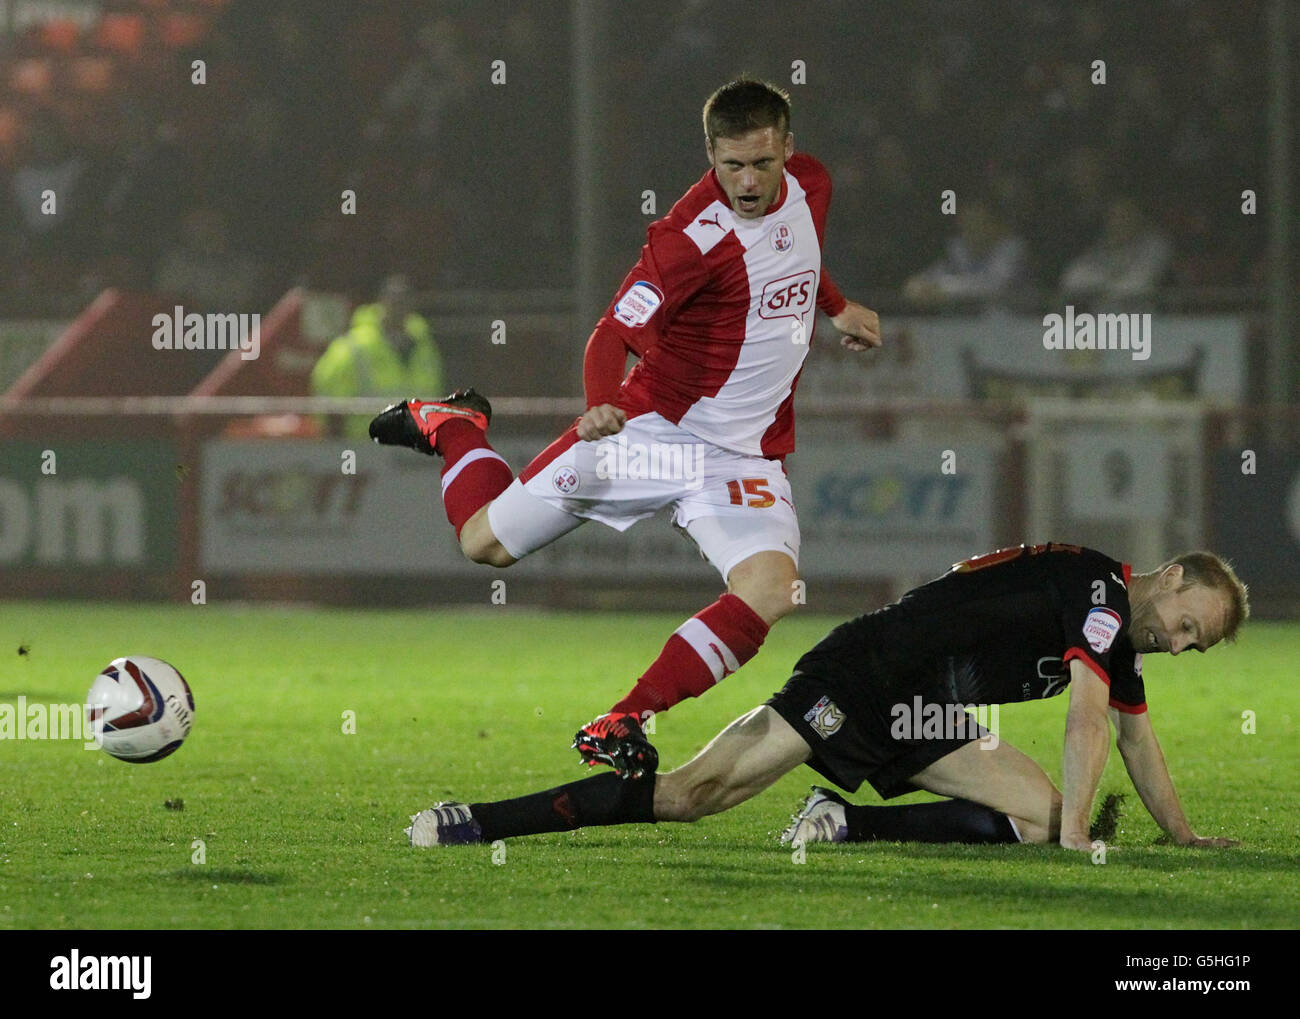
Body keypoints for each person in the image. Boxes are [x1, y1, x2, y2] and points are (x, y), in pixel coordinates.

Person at [370, 80, 881, 777]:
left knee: (771, 588)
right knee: (483, 543)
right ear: (710, 154)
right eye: (732, 165)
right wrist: (599, 401)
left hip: (743, 461)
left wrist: (837, 305)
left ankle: (624, 716)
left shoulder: (811, 184)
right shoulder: (686, 239)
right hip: (648, 435)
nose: (750, 181)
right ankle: (455, 427)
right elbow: (611, 332)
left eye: (763, 163)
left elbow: (799, 253)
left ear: (788, 150)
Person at [405, 543, 1248, 852]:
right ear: (1168, 577)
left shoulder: (1122, 637)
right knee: (697, 795)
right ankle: (482, 818)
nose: (1177, 644)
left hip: (919, 710)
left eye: (1192, 645)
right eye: (1184, 623)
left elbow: (1135, 738)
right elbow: (1087, 716)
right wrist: (1078, 840)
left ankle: (843, 819)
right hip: (865, 674)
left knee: (1032, 812)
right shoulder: (1100, 589)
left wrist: (1187, 834)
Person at [312, 274, 443, 440]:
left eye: (405, 301)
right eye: (395, 301)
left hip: (414, 447)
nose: (399, 307)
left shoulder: (425, 347)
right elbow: (327, 400)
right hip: (366, 446)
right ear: (382, 302)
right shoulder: (354, 346)